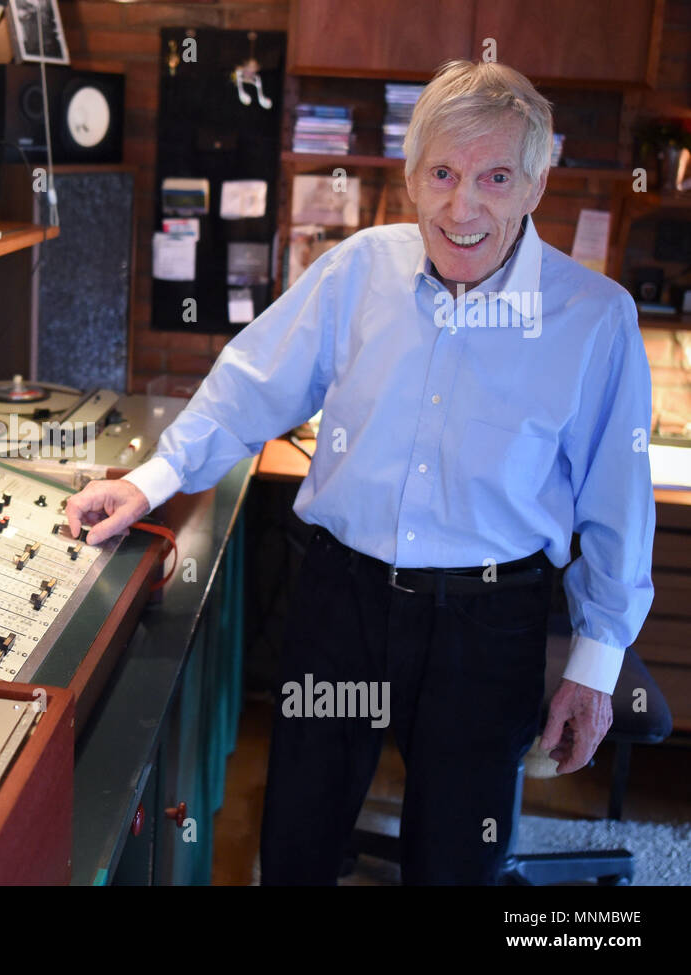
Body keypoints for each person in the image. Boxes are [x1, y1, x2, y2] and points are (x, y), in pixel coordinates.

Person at [65, 60, 655, 885]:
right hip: (342, 608)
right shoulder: (359, 269)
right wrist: (150, 481)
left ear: (535, 183)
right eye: (443, 173)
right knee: (298, 841)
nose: (463, 205)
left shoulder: (595, 320)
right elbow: (250, 384)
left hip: (487, 629)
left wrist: (594, 669)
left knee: (457, 861)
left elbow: (617, 508)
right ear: (411, 175)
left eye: (494, 177)